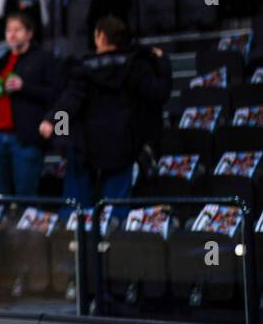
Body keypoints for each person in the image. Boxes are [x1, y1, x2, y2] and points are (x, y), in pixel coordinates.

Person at [41, 17, 171, 208]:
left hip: (87, 144)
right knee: (115, 207)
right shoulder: (137, 65)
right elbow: (159, 92)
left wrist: (52, 121)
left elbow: (71, 100)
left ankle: (73, 235)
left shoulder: (83, 67)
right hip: (123, 143)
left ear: (100, 36)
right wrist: (163, 62)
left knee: (76, 207)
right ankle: (112, 235)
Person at [0, 12, 56, 196]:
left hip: (25, 137)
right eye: (8, 30)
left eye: (17, 30)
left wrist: (25, 87)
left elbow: (55, 94)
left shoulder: (44, 59)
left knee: (26, 196)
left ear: (29, 33)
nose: (12, 34)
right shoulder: (0, 61)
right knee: (2, 195)